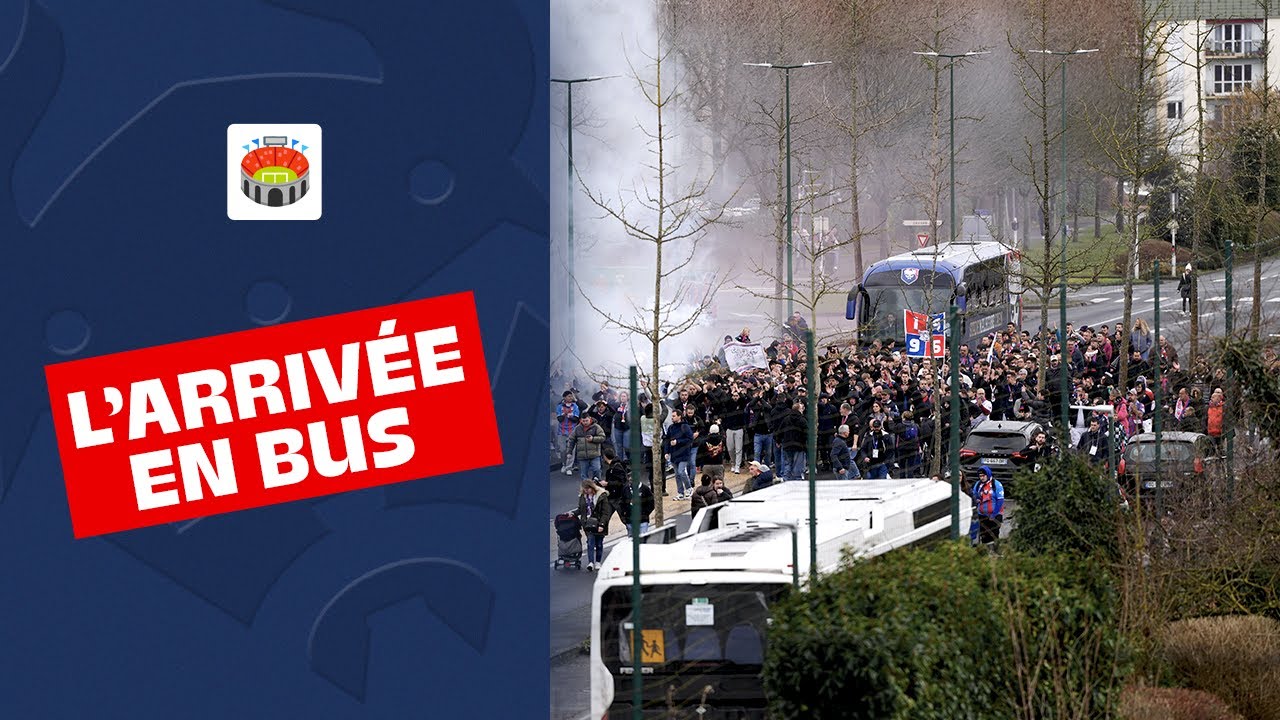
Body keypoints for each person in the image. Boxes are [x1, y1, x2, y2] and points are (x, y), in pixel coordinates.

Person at [576, 480, 612, 571]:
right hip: (588, 524)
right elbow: (581, 509)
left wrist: (602, 524)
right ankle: (591, 562)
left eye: (587, 489)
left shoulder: (602, 496)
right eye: (584, 489)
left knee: (599, 544)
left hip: (599, 523)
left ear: (592, 487)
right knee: (590, 542)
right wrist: (573, 513)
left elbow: (605, 512)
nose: (586, 491)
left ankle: (598, 562)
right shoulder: (583, 496)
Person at [969, 465, 1004, 548]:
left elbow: (1000, 501)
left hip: (995, 515)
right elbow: (974, 496)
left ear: (988, 475)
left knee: (994, 535)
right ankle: (985, 551)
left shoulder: (996, 484)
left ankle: (995, 551)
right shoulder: (978, 484)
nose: (982, 478)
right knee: (984, 535)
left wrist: (994, 514)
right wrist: (976, 500)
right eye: (980, 476)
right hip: (982, 515)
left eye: (983, 476)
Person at [665, 410, 695, 500]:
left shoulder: (685, 426)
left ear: (679, 416)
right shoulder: (671, 428)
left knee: (681, 471)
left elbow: (690, 438)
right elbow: (667, 440)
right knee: (677, 474)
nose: (672, 418)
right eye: (672, 416)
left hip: (684, 453)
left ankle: (689, 488)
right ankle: (680, 492)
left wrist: (678, 441)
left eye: (674, 416)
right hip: (674, 454)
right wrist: (666, 452)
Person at [570, 414, 606, 480]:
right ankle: (586, 485)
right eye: (583, 421)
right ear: (581, 420)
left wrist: (593, 439)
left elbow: (603, 437)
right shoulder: (577, 428)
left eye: (587, 420)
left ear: (590, 419)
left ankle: (596, 483)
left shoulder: (596, 427)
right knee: (584, 475)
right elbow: (571, 440)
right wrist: (569, 452)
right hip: (582, 455)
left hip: (594, 454)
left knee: (597, 470)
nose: (585, 422)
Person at [555, 391, 580, 475]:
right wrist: (564, 414)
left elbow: (576, 419)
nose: (571, 398)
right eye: (569, 396)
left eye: (571, 396)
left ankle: (569, 467)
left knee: (571, 450)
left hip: (572, 431)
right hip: (561, 431)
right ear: (564, 397)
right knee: (563, 450)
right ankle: (564, 464)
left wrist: (569, 416)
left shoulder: (575, 406)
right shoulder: (559, 407)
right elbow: (559, 419)